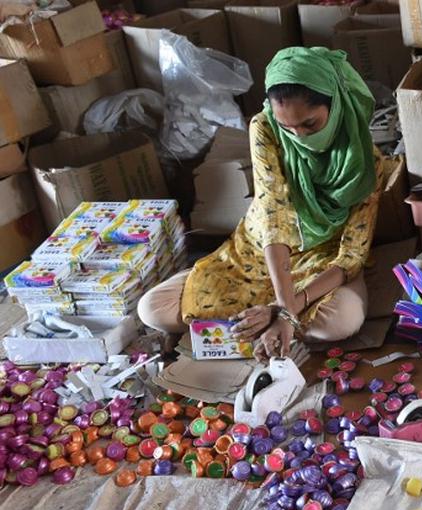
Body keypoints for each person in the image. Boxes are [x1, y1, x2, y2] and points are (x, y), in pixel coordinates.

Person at [138, 47, 393, 361]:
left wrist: (283, 310)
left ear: (336, 104)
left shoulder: (366, 163)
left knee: (341, 322)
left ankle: (268, 316)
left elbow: (351, 257)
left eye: (310, 125)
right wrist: (288, 311)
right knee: (151, 309)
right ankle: (271, 318)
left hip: (322, 259)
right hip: (261, 253)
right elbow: (275, 220)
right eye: (288, 127)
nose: (299, 137)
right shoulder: (265, 129)